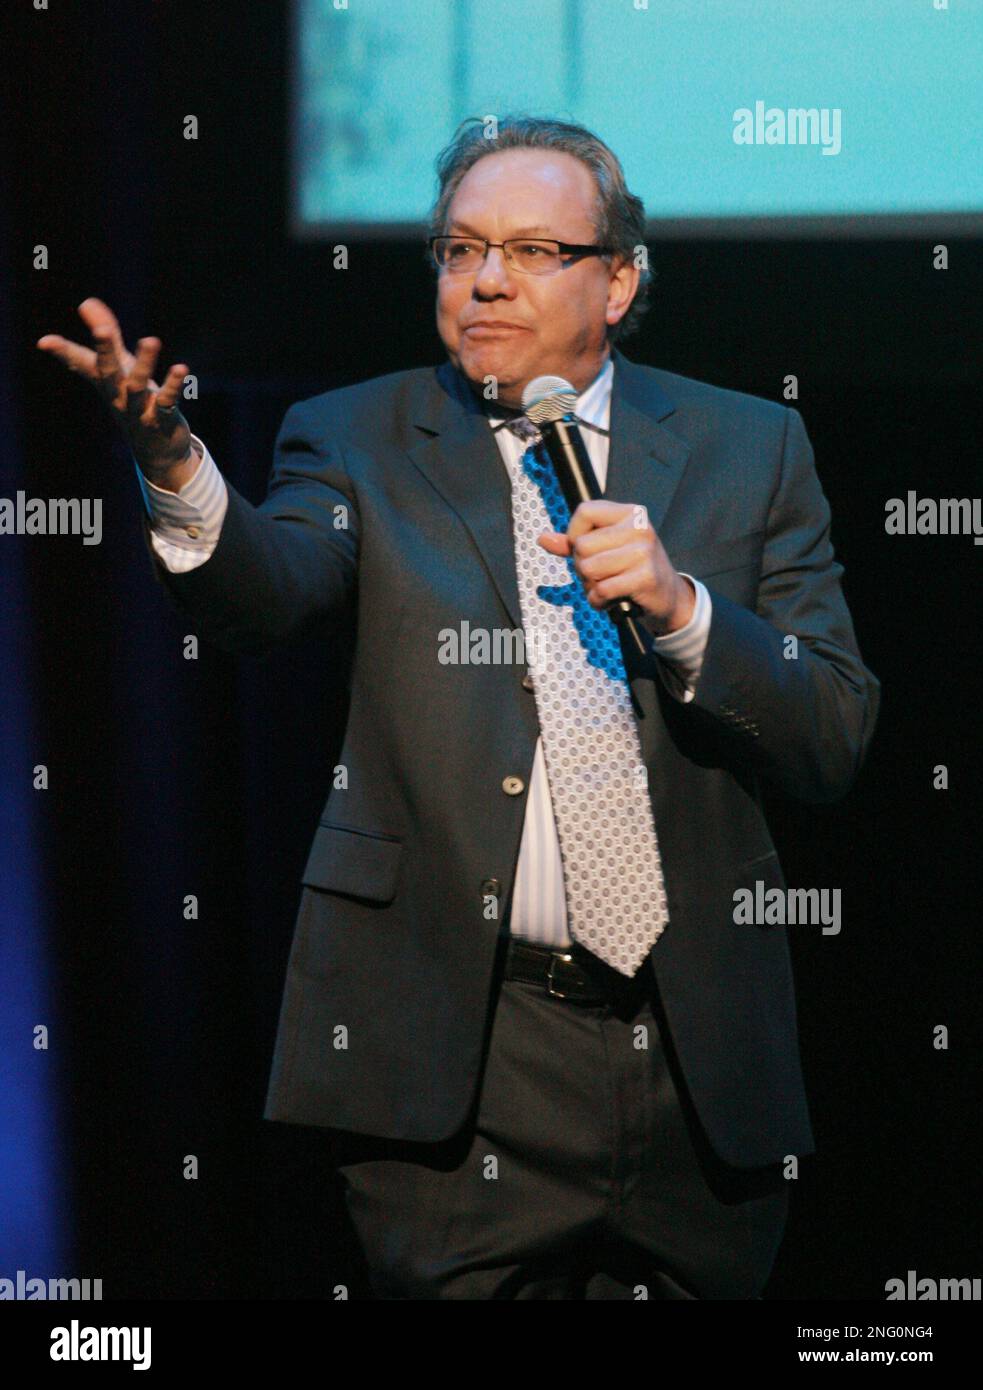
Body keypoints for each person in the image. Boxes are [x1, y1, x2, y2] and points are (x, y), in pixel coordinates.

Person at [37, 115, 880, 1300]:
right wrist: (177, 463)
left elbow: (832, 728)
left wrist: (685, 608)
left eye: (534, 251)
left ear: (619, 281)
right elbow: (265, 596)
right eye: (458, 249)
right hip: (460, 1054)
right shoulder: (359, 436)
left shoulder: (751, 446)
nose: (485, 278)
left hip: (695, 1058)